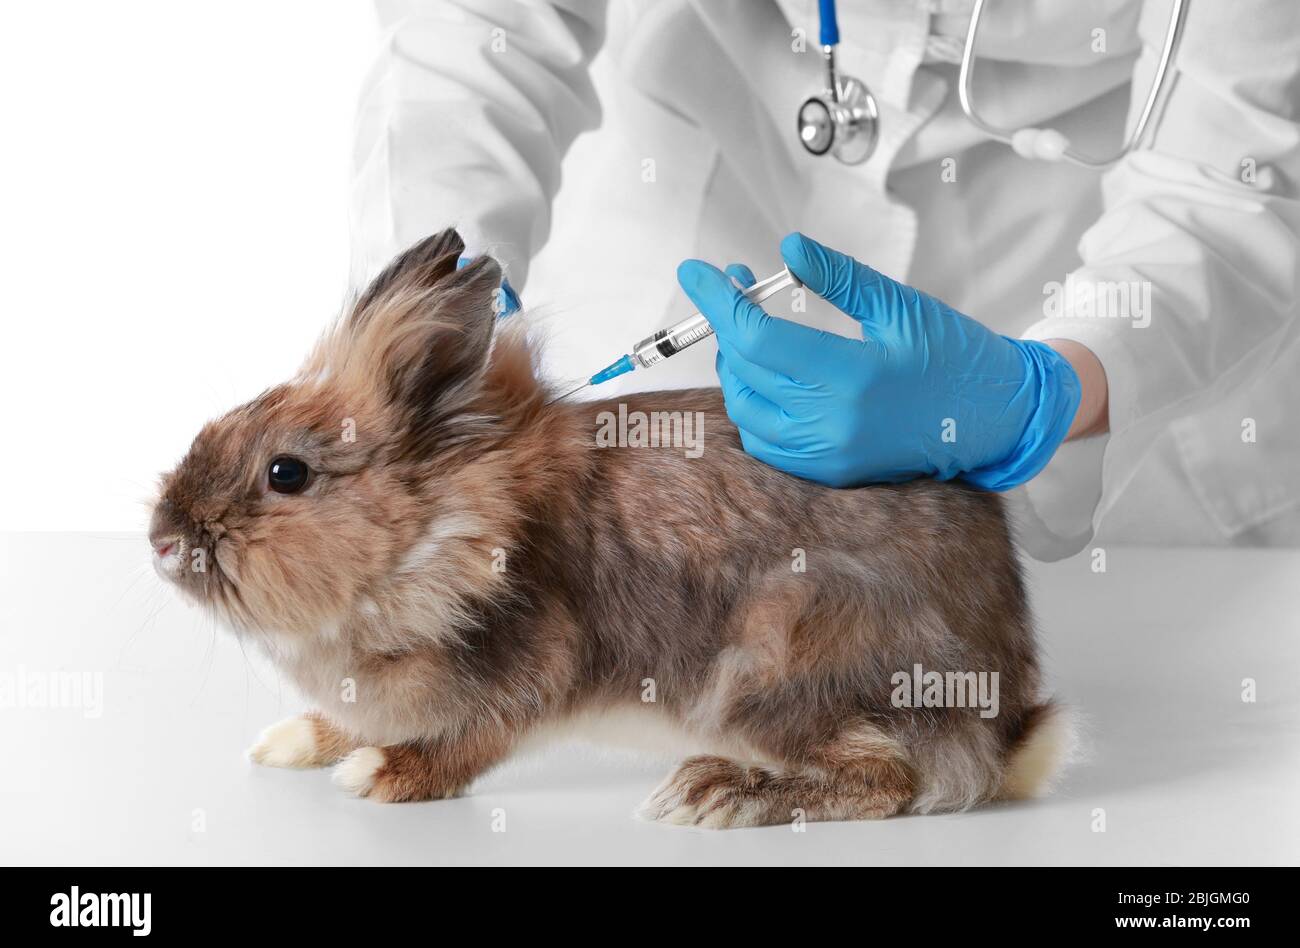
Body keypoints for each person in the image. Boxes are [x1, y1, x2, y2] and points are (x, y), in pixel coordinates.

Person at [349, 0, 1300, 559]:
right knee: (612, 580)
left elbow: (1233, 179)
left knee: (1105, 687)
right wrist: (430, 295)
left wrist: (1047, 396)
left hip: (1085, 226)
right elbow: (477, 31)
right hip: (716, 132)